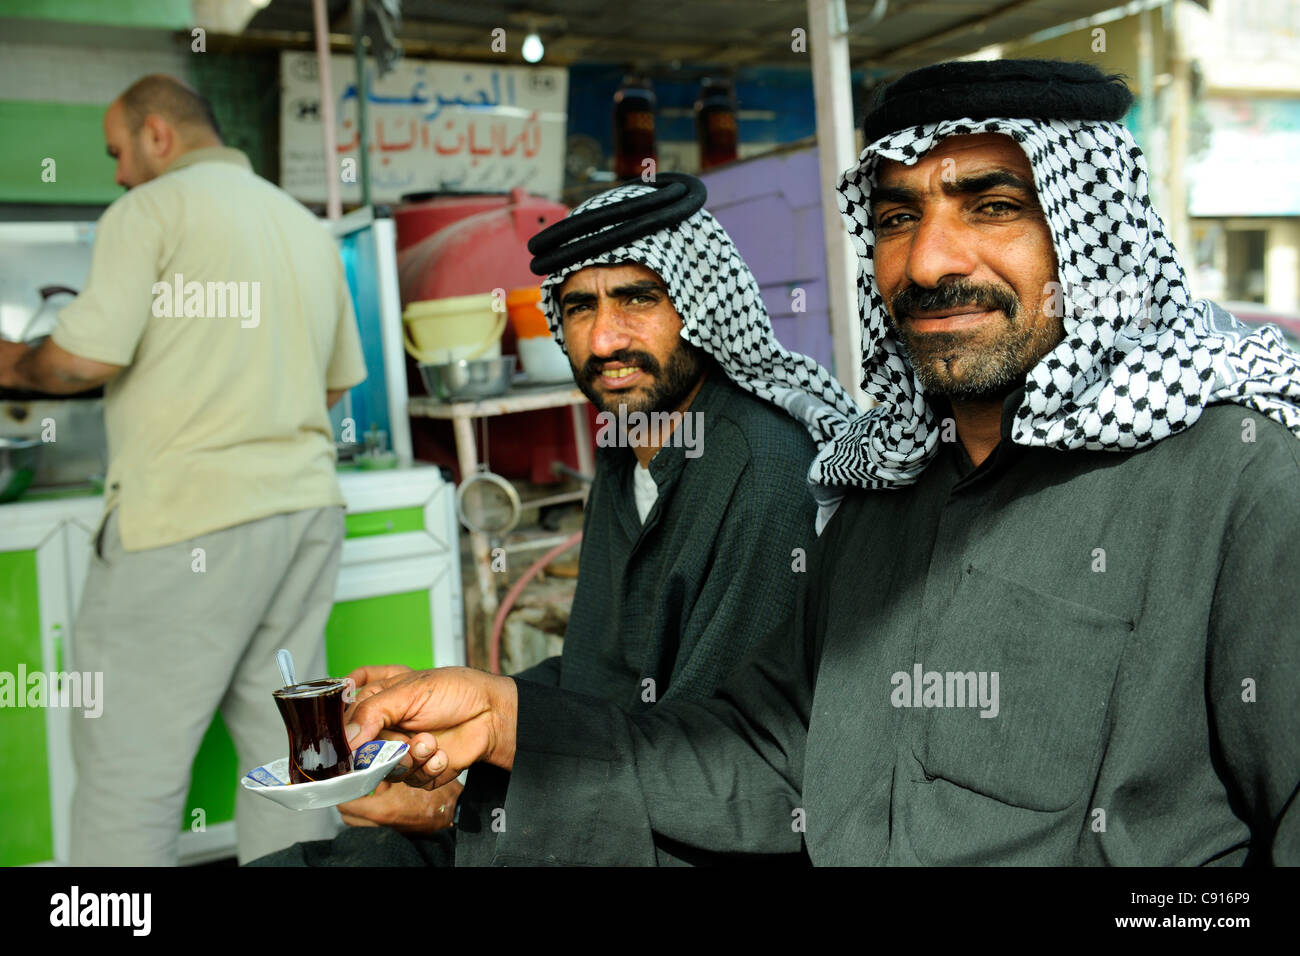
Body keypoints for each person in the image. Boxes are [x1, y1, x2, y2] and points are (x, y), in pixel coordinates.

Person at [344, 60, 1300, 865]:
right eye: (895, 219)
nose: (928, 262)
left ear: (1093, 239)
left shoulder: (1241, 483)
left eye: (994, 205)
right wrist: (509, 722)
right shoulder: (881, 489)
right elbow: (769, 755)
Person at [248, 173, 861, 866]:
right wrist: (447, 705)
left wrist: (464, 791)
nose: (603, 341)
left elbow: (726, 778)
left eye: (637, 299)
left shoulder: (760, 470)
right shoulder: (626, 447)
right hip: (595, 801)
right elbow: (601, 686)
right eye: (578, 308)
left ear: (698, 304)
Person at [0, 74, 367, 864]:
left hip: (186, 521)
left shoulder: (149, 210)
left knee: (130, 774)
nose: (119, 173)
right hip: (304, 513)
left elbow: (80, 360)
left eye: (117, 152)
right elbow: (333, 382)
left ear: (157, 134)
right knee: (296, 763)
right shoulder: (303, 225)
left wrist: (16, 361)